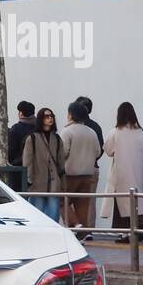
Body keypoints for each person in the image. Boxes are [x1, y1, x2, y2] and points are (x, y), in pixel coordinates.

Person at [104, 102, 143, 242]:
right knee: (137, 202)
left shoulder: (115, 132)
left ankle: (127, 233)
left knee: (122, 204)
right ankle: (138, 229)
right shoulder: (139, 131)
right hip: (138, 173)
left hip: (121, 173)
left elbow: (107, 150)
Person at [60, 102, 101, 239]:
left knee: (61, 200)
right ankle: (82, 234)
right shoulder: (92, 132)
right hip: (87, 174)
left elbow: (62, 153)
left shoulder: (67, 132)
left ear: (70, 114)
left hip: (70, 174)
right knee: (83, 205)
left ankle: (75, 223)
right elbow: (97, 152)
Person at [22, 107, 67, 220]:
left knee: (53, 215)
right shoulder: (32, 138)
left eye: (51, 116)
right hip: (37, 183)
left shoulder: (57, 139)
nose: (50, 118)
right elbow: (27, 161)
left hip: (54, 183)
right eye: (46, 116)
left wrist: (62, 182)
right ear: (41, 119)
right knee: (37, 215)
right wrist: (30, 180)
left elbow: (61, 162)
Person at [5, 101, 36, 189]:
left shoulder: (16, 129)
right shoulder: (39, 128)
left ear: (21, 113)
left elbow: (11, 150)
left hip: (18, 169)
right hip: (37, 169)